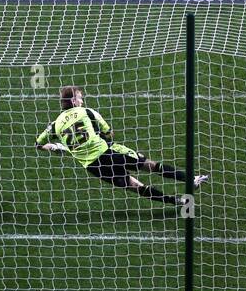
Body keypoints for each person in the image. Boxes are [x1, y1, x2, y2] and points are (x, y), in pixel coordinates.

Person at [36, 87, 208, 206]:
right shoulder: (86, 112)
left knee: (135, 186)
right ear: (73, 100)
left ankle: (177, 201)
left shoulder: (55, 125)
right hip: (109, 154)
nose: (82, 100)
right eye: (80, 97)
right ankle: (190, 180)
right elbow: (109, 132)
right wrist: (101, 135)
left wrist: (55, 147)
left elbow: (38, 143)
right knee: (151, 166)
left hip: (94, 167)